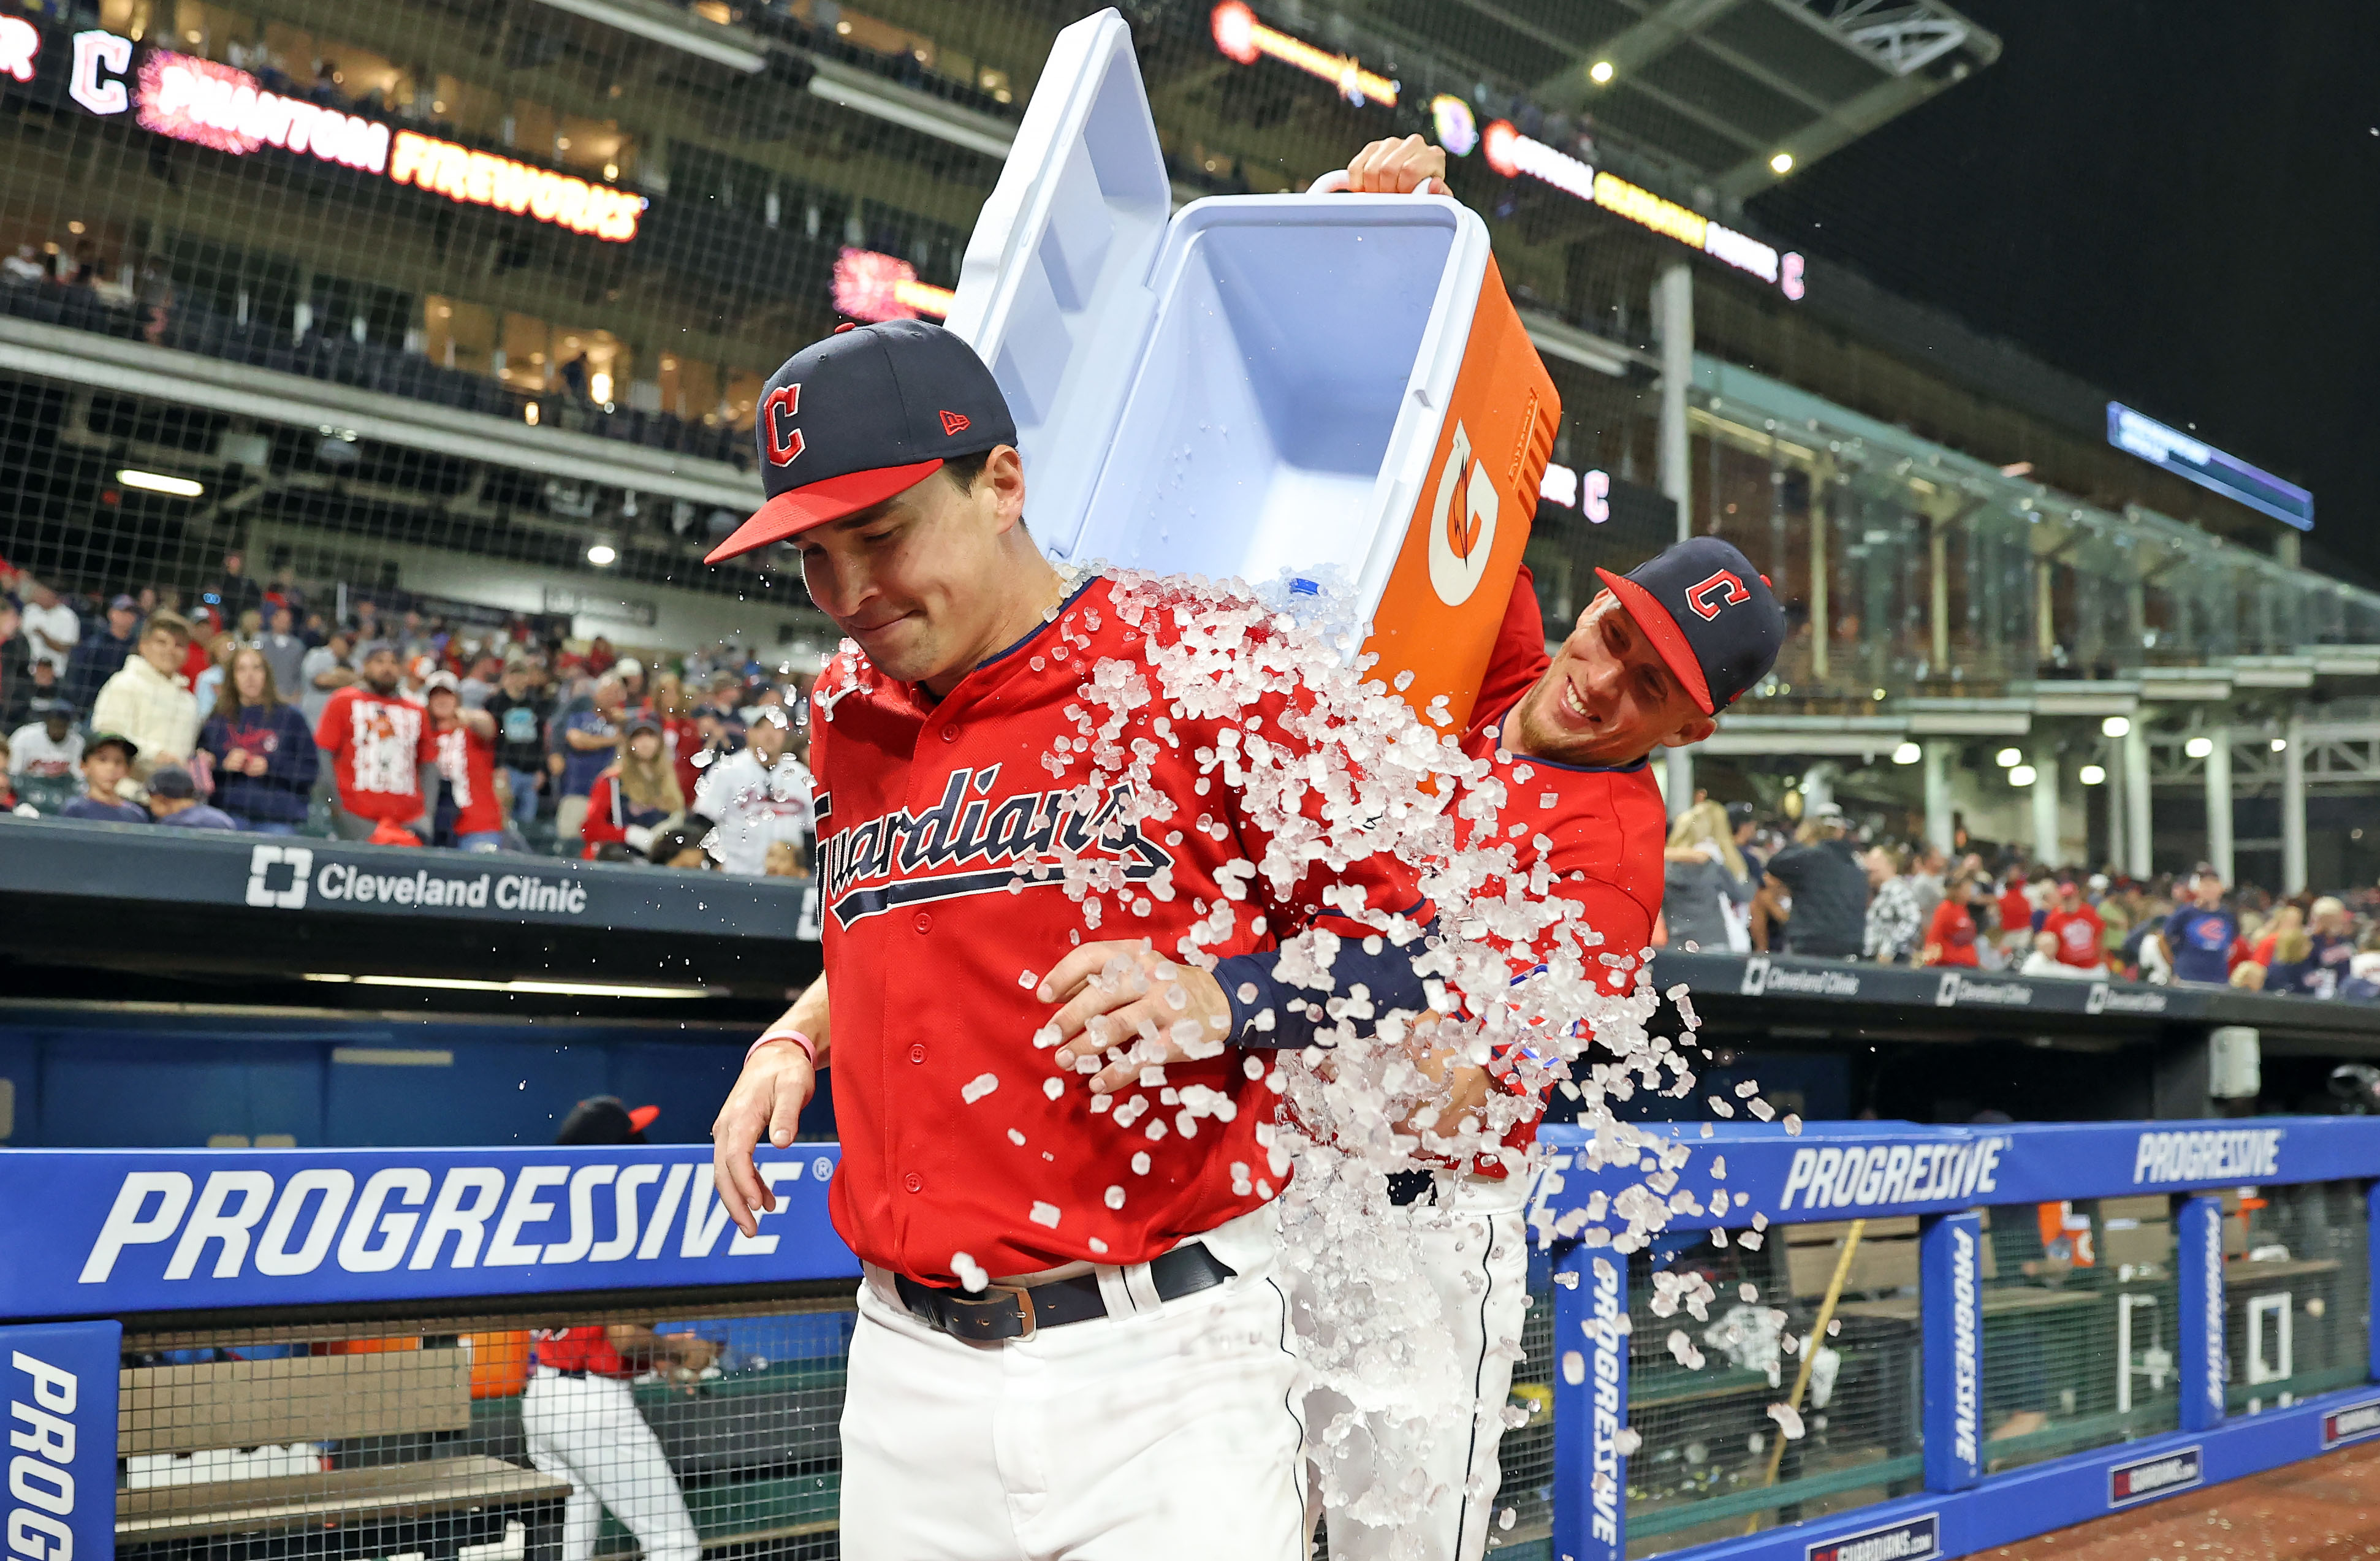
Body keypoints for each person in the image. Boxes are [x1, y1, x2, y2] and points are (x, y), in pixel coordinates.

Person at [704, 316, 1435, 1561]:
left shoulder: (1211, 666)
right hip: (900, 1375)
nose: (851, 595)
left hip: (1165, 1364)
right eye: (816, 557)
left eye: (880, 538)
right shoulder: (845, 707)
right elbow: (911, 921)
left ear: (1001, 483)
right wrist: (794, 1031)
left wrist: (1225, 996)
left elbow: (1420, 949)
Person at [523, 1096, 713, 1561]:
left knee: (574, 1548)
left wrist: (658, 1353)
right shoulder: (620, 1219)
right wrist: (682, 1350)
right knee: (676, 1547)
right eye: (633, 1138)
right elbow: (625, 1335)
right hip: (595, 1409)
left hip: (543, 1399)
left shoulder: (557, 1215)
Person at [314, 642, 437, 840]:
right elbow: (323, 754)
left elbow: (429, 764)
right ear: (366, 665)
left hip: (408, 822)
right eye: (379, 661)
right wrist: (336, 806)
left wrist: (427, 814)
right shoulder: (342, 701)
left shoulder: (418, 712)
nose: (387, 668)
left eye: (394, 662)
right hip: (356, 817)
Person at [198, 647, 318, 834]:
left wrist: (269, 767)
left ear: (267, 674)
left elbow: (309, 772)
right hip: (227, 814)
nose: (250, 676)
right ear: (232, 677)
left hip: (278, 816)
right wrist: (223, 764)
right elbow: (201, 770)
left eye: (257, 668)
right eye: (242, 669)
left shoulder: (291, 718)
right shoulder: (216, 721)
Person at [691, 705, 810, 875]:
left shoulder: (801, 775)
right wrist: (711, 863)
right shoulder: (727, 769)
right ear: (749, 733)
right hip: (734, 873)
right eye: (762, 728)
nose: (770, 735)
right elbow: (703, 823)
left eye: (777, 728)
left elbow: (813, 832)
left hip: (786, 877)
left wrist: (808, 867)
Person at [90, 611, 200, 778]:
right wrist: (154, 755)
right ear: (143, 646)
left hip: (173, 797)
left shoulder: (189, 701)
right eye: (162, 642)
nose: (170, 650)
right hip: (126, 794)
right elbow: (108, 735)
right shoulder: (124, 683)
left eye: (179, 645)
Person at [1763, 804, 1868, 958]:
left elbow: (1774, 864)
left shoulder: (1809, 858)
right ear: (1841, 831)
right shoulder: (1856, 865)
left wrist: (1803, 840)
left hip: (1810, 946)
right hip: (1850, 949)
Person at [581, 714, 684, 859]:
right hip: (617, 860)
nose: (645, 742)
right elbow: (590, 829)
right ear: (628, 743)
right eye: (638, 737)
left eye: (650, 735)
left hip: (655, 862)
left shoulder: (668, 780)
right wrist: (628, 834)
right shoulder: (612, 781)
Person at [422, 671, 505, 850]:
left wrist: (463, 716)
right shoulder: (424, 736)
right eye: (435, 695)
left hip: (478, 826)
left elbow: (489, 727)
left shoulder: (472, 732)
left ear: (457, 699)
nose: (442, 700)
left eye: (447, 695)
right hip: (435, 827)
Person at [1662, 797, 1752, 953]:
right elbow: (1743, 894)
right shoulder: (1715, 861)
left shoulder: (1665, 864)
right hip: (1715, 942)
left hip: (1677, 942)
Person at [482, 655, 552, 827]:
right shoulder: (495, 703)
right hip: (507, 770)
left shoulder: (535, 704)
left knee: (527, 823)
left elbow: (540, 740)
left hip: (531, 771)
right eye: (515, 675)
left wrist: (542, 770)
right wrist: (498, 767)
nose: (519, 679)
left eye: (522, 675)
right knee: (503, 818)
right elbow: (492, 738)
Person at [555, 674, 625, 843]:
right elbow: (577, 740)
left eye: (615, 692)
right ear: (596, 694)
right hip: (578, 790)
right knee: (569, 841)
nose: (611, 696)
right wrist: (613, 740)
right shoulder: (580, 717)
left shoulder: (622, 723)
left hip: (609, 798)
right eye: (607, 691)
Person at [2159, 867, 2245, 987]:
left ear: (2221, 888)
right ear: (2198, 889)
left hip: (2218, 979)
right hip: (2188, 978)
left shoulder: (2228, 916)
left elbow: (2233, 938)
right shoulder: (2185, 913)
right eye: (2205, 885)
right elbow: (2163, 939)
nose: (2208, 889)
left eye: (2212, 885)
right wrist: (2173, 965)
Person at [64, 594, 140, 711]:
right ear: (111, 613)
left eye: (131, 613)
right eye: (123, 611)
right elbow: (79, 680)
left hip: (127, 707)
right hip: (93, 707)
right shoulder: (95, 645)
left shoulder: (138, 648)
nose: (127, 617)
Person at [59, 732, 148, 824]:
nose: (111, 768)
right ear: (84, 766)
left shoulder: (135, 815)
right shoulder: (75, 810)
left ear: (128, 770)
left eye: (119, 762)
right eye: (102, 760)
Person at [1860, 844, 1926, 964]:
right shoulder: (1880, 892)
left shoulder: (1897, 889)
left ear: (1890, 865)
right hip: (1875, 960)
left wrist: (1888, 950)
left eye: (1874, 860)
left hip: (1894, 961)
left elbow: (1912, 920)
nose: (1868, 865)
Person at [2041, 873, 2108, 973]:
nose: (2069, 902)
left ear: (2077, 897)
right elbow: (2048, 942)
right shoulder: (2054, 918)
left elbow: (2101, 934)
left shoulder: (2089, 912)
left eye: (2071, 898)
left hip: (2092, 967)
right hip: (2068, 969)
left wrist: (2102, 956)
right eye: (2066, 899)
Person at [146, 763, 240, 830]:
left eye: (153, 800)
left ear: (163, 799)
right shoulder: (222, 820)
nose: (151, 807)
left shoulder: (173, 824)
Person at [1921, 870, 1985, 968]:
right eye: (1967, 889)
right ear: (1958, 890)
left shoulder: (1962, 909)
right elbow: (1935, 936)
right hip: (1952, 963)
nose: (1970, 893)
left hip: (1968, 963)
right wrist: (1930, 961)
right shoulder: (1945, 909)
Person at [9, 697, 82, 781]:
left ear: (69, 724)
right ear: (47, 720)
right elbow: (14, 773)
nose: (57, 729)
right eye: (54, 723)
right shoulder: (24, 736)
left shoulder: (78, 743)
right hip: (28, 785)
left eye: (62, 725)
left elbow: (78, 777)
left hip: (61, 788)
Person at [298, 628, 359, 727]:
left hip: (341, 719)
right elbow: (321, 681)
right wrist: (349, 679)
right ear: (335, 640)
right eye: (347, 643)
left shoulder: (354, 662)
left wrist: (336, 675)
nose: (350, 647)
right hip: (314, 716)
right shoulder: (318, 655)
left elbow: (361, 683)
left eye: (352, 644)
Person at [18, 579, 77, 678]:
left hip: (54, 674)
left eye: (44, 593)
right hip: (28, 671)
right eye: (39, 592)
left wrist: (43, 635)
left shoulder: (68, 617)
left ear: (54, 596)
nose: (39, 596)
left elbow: (65, 648)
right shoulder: (30, 610)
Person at [256, 604, 308, 696]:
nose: (283, 623)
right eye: (281, 620)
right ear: (273, 621)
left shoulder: (298, 647)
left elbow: (300, 674)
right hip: (262, 693)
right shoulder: (260, 642)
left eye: (286, 621)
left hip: (288, 696)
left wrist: (297, 693)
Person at [191, 631, 240, 713]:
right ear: (215, 652)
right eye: (222, 650)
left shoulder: (241, 675)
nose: (227, 653)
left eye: (229, 649)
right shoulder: (207, 678)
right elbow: (203, 710)